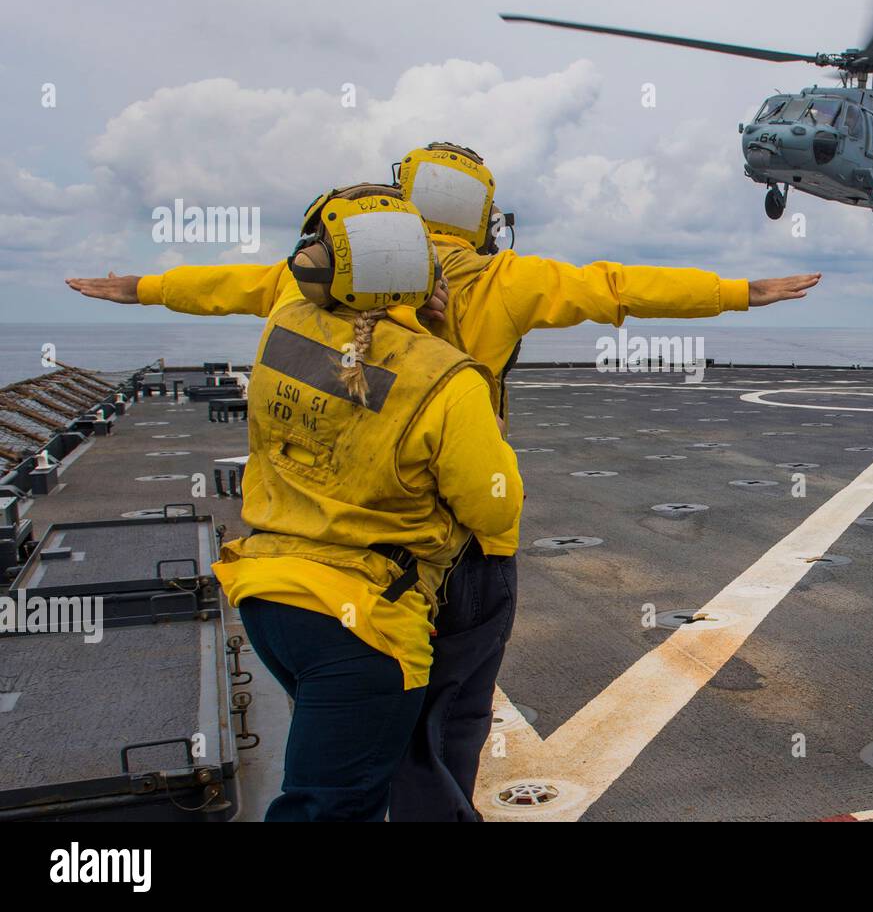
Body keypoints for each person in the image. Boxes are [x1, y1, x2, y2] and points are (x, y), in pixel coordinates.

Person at [67, 142, 821, 821]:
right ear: (485, 215)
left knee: (363, 718)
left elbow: (228, 285)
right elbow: (615, 286)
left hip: (311, 551)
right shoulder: (502, 283)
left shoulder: (309, 293)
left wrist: (143, 286)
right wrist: (737, 291)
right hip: (450, 538)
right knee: (454, 709)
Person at [207, 184, 521, 820]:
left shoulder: (284, 326)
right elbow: (496, 505)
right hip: (365, 629)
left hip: (268, 597)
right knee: (330, 806)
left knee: (341, 786)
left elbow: (355, 355)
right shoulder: (447, 378)